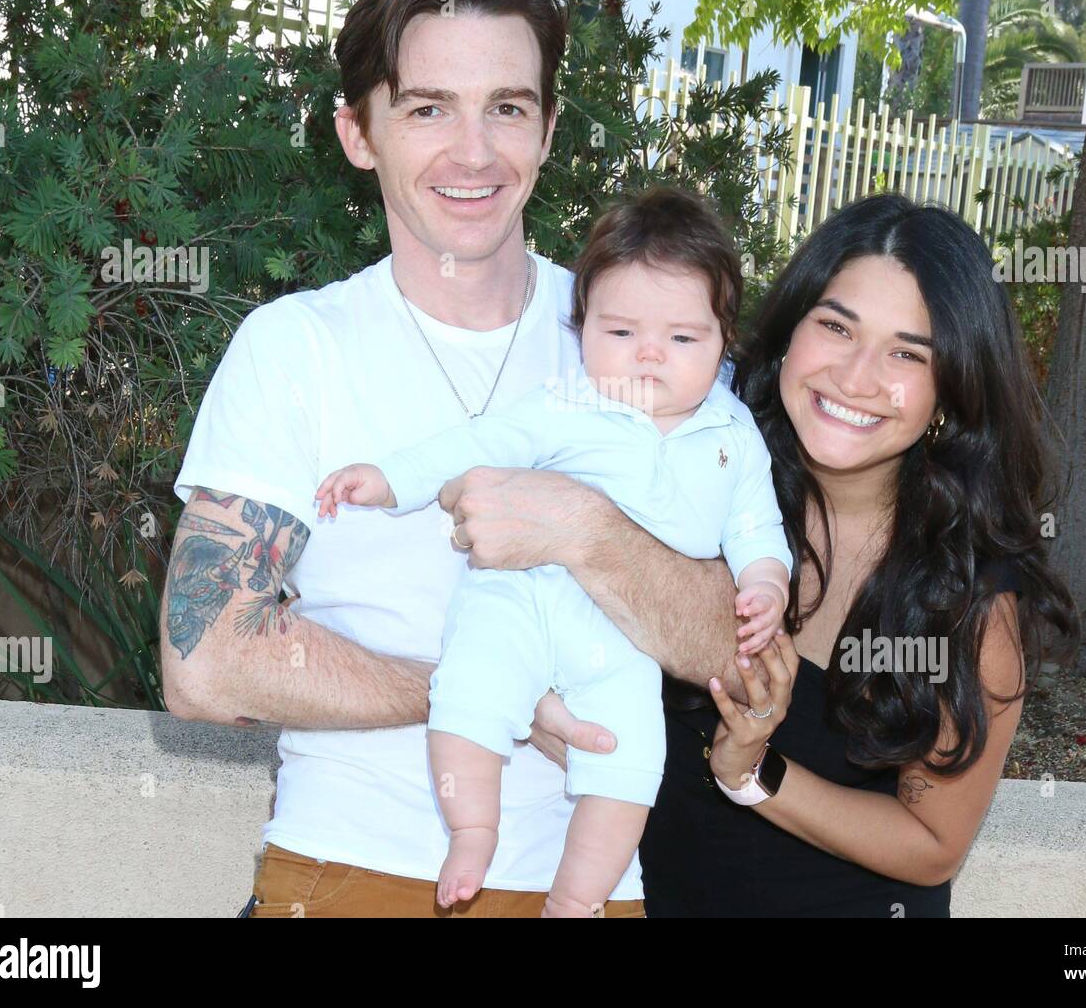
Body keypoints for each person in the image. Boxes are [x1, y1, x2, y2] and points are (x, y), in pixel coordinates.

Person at [160, 0, 767, 918]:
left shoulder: (648, 346)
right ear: (357, 132)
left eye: (507, 108)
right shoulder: (295, 348)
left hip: (587, 888)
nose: (474, 150)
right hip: (348, 867)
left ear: (548, 127)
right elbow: (207, 656)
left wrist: (585, 528)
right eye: (429, 106)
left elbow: (732, 649)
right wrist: (491, 695)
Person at [313, 187, 792, 916]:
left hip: (624, 637)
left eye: (684, 339)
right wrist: (388, 480)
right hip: (522, 594)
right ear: (582, 326)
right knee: (469, 691)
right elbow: (475, 446)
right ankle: (473, 829)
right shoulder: (567, 401)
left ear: (725, 340)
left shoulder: (734, 435)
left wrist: (766, 585)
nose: (650, 356)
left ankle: (575, 898)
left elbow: (758, 532)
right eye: (621, 332)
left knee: (631, 763)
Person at [638, 193, 1079, 917]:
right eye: (836, 326)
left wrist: (752, 773)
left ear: (950, 389)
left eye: (908, 352)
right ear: (791, 331)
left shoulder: (966, 594)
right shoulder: (697, 470)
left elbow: (932, 843)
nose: (856, 377)